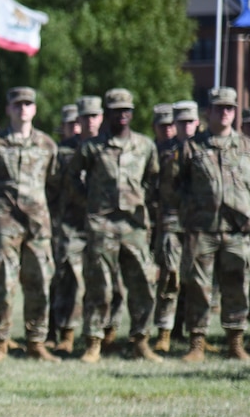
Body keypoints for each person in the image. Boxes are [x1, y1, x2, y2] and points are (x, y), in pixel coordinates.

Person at [0, 86, 61, 362]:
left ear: (34, 109)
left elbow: (56, 183)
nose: (23, 109)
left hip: (37, 225)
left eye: (28, 104)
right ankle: (0, 342)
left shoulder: (47, 145)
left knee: (40, 282)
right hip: (4, 223)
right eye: (17, 104)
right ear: (8, 109)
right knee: (2, 283)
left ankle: (36, 342)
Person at [70, 89, 161, 362]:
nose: (122, 115)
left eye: (126, 110)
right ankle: (94, 342)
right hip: (102, 225)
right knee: (99, 285)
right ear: (107, 114)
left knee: (142, 284)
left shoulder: (145, 146)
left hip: (134, 225)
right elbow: (72, 177)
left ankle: (141, 341)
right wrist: (90, 202)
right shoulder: (91, 147)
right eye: (116, 111)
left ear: (132, 114)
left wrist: (140, 201)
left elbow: (153, 179)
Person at [169, 87, 250, 362]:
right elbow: (173, 186)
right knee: (198, 287)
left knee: (237, 286)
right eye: (219, 108)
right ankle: (197, 344)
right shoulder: (192, 147)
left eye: (229, 108)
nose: (224, 112)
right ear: (208, 112)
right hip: (202, 229)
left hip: (237, 230)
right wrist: (189, 212)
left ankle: (235, 343)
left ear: (234, 113)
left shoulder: (246, 147)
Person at [151, 100, 197, 352]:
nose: (185, 126)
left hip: (200, 224)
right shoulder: (163, 152)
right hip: (171, 221)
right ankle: (165, 332)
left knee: (196, 281)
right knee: (170, 277)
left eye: (190, 122)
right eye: (181, 122)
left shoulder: (204, 148)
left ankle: (192, 333)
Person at [47, 101, 85, 354]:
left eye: (78, 123)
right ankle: (58, 332)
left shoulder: (95, 149)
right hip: (64, 225)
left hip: (92, 225)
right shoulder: (58, 154)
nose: (76, 128)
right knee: (61, 280)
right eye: (71, 124)